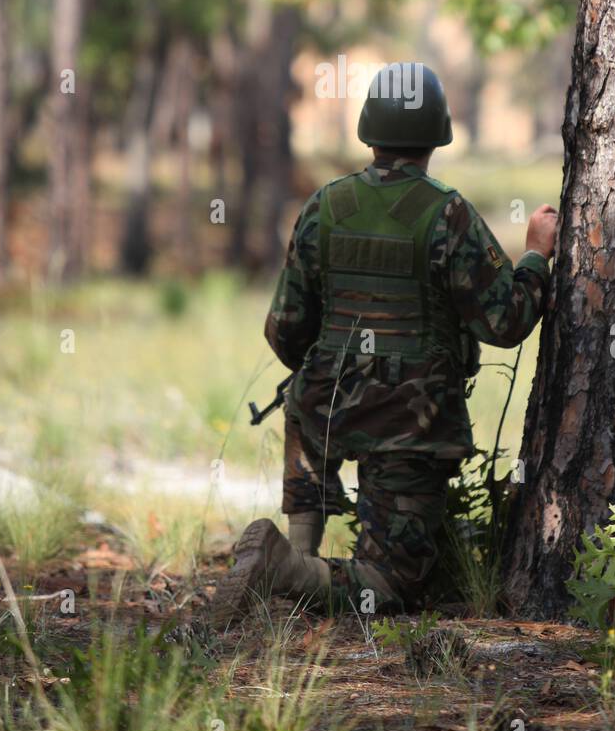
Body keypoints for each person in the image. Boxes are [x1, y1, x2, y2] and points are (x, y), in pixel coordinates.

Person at [211, 61, 557, 624]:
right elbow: (506, 324)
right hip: (408, 424)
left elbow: (284, 329)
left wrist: (331, 376)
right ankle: (286, 570)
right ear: (437, 135)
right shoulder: (448, 214)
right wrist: (537, 254)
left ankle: (297, 561)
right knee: (394, 585)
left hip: (321, 410)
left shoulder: (325, 205)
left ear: (369, 130)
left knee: (304, 403)